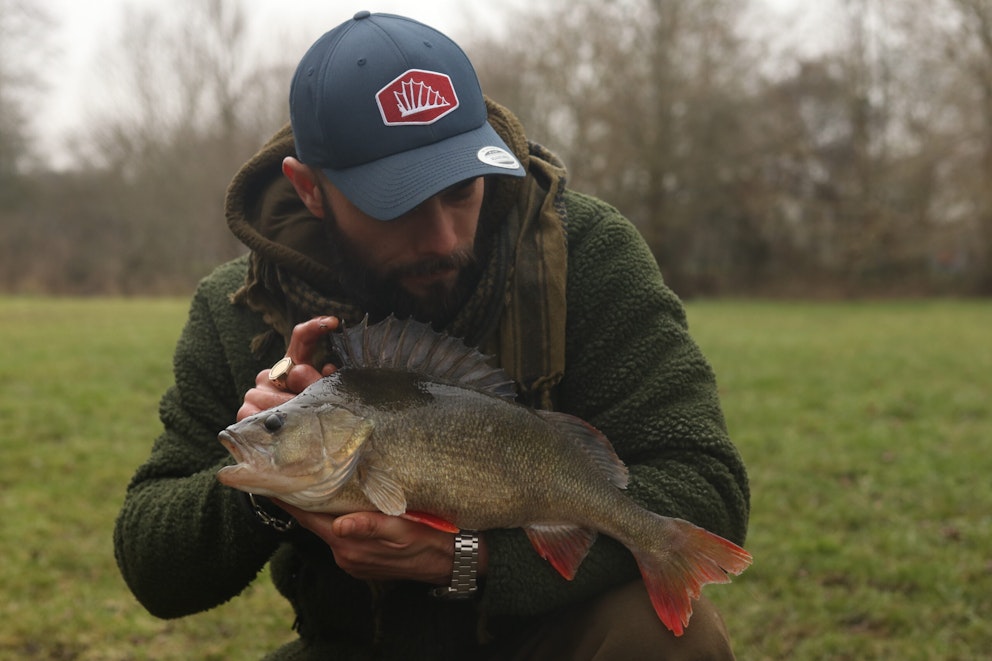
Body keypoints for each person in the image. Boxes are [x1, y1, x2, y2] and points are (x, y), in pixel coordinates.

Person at [113, 11, 750, 660]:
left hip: (543, 636)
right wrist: (274, 485)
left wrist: (471, 558)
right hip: (349, 646)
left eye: (460, 189)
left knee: (671, 638)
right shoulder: (238, 305)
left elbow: (705, 484)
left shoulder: (584, 252)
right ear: (309, 189)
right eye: (396, 203)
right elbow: (151, 564)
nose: (443, 238)